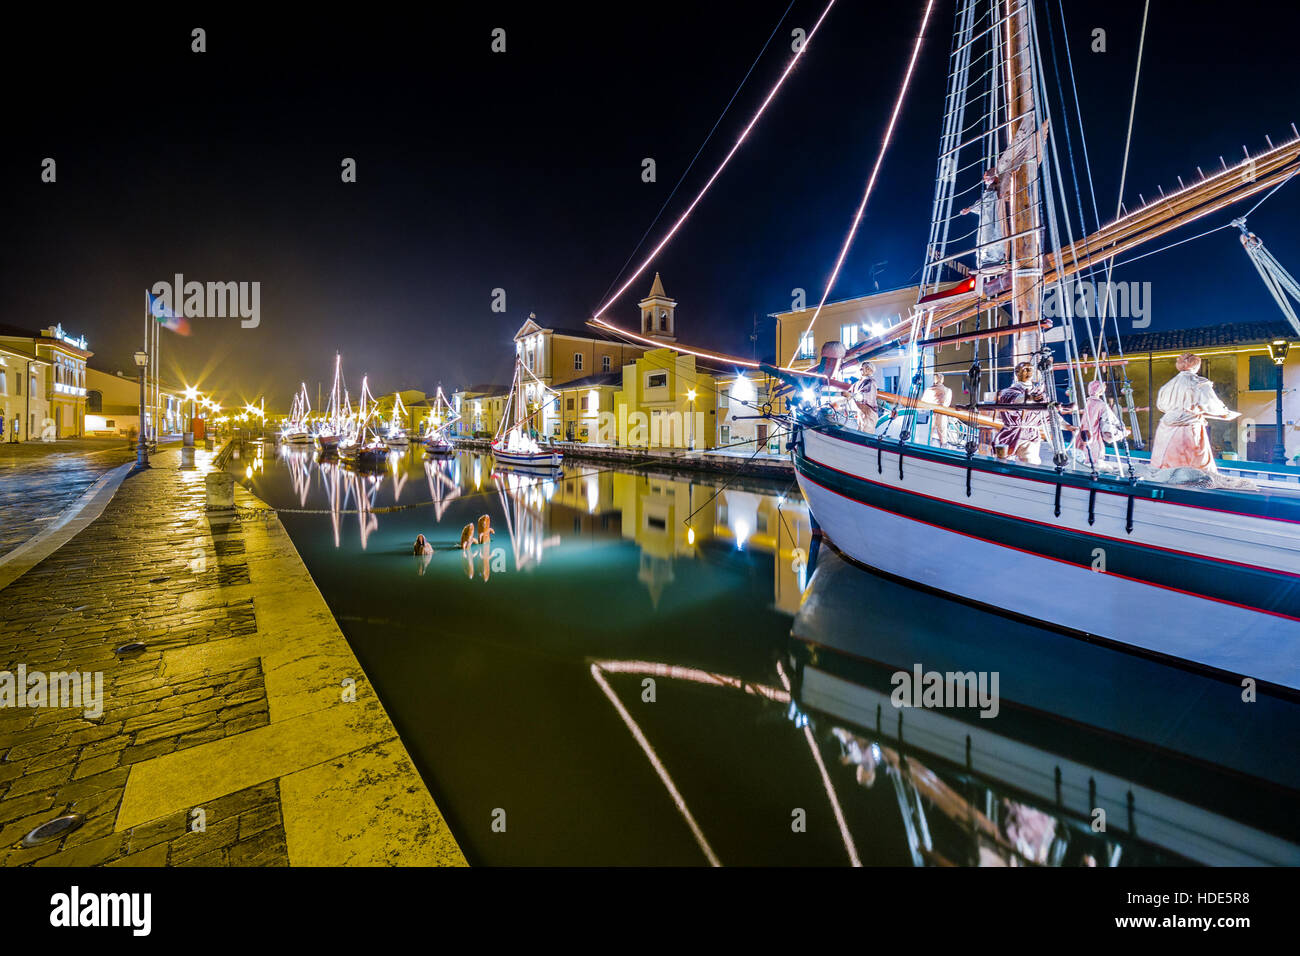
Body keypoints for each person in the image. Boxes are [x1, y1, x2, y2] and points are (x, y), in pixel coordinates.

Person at [1149, 352, 1239, 472]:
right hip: (1188, 428)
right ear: (1196, 366)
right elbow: (1210, 403)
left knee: (1166, 462)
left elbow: (1161, 406)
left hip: (1166, 427)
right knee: (1192, 464)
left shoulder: (1168, 385)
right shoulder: (1199, 383)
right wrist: (1224, 412)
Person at [994, 362, 1048, 463]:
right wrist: (1029, 398)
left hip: (1030, 437)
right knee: (1002, 463)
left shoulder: (1039, 394)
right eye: (1025, 369)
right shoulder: (1009, 392)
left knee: (1031, 462)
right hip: (1010, 436)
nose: (1029, 372)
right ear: (1017, 373)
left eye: (1030, 369)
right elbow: (1014, 400)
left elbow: (1048, 415)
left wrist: (1067, 426)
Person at [1072, 378, 1129, 470]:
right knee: (1095, 456)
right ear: (1100, 390)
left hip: (1084, 434)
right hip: (1093, 436)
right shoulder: (1101, 404)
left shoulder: (1089, 402)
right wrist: (1122, 430)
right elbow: (1111, 419)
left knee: (1085, 452)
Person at [920, 373, 954, 447]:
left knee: (929, 433)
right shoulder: (948, 391)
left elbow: (923, 403)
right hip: (943, 413)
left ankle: (928, 448)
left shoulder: (928, 390)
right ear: (942, 380)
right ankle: (943, 449)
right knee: (943, 433)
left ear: (934, 380)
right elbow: (947, 403)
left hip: (931, 413)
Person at [850, 362, 881, 433]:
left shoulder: (871, 382)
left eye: (867, 368)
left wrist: (851, 395)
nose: (863, 370)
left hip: (869, 414)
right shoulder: (857, 383)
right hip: (861, 414)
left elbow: (865, 396)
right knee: (860, 434)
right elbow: (847, 394)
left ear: (871, 371)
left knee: (866, 437)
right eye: (862, 368)